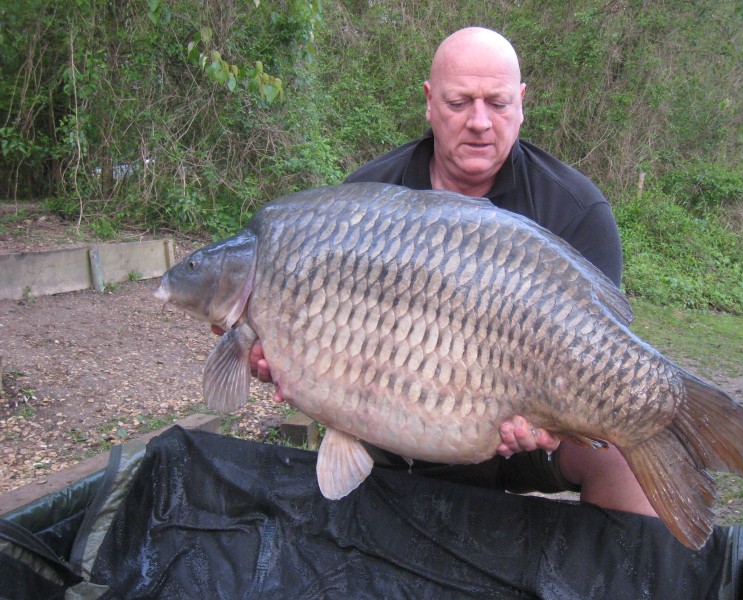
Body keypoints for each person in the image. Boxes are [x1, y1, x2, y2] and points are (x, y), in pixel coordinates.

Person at [246, 27, 656, 518]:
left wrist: (555, 423)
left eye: (498, 103)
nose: (480, 122)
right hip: (387, 431)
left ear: (522, 102)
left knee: (625, 448)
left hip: (518, 438)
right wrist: (291, 356)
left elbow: (602, 357)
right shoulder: (364, 200)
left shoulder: (576, 211)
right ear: (429, 101)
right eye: (460, 102)